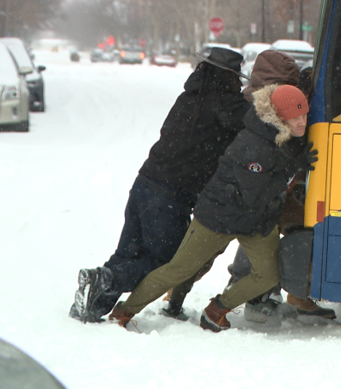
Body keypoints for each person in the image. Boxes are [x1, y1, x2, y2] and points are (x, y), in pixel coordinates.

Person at [108, 84, 317, 332]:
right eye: (295, 118)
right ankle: (123, 312)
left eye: (304, 115)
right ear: (280, 118)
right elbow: (255, 192)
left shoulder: (288, 137)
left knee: (268, 275)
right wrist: (292, 168)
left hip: (256, 219)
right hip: (219, 215)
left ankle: (216, 310)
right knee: (178, 270)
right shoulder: (254, 144)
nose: (302, 123)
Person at [69, 47, 249, 323]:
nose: (239, 85)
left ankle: (91, 303)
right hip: (169, 196)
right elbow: (253, 123)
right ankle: (105, 279)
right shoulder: (225, 103)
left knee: (128, 252)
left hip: (144, 183)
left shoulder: (189, 96)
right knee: (165, 261)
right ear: (229, 78)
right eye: (237, 79)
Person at [159, 49, 303, 319]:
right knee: (256, 238)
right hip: (240, 195)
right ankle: (247, 292)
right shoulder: (260, 111)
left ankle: (176, 299)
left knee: (205, 254)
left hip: (223, 190)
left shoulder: (242, 101)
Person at [226, 64, 336, 323]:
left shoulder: (280, 107)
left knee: (290, 225)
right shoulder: (279, 113)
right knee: (273, 226)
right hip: (264, 192)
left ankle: (287, 292)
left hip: (274, 189)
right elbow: (273, 164)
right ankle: (255, 293)